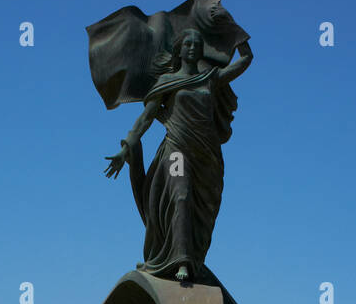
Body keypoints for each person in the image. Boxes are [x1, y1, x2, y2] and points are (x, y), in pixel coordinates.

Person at [104, 27, 253, 281]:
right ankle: (181, 261)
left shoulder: (209, 78)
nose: (193, 47)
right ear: (180, 50)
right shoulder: (168, 82)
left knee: (200, 213)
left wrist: (237, 34)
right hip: (177, 150)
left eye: (197, 44)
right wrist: (126, 146)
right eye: (188, 44)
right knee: (181, 194)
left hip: (207, 156)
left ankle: (192, 257)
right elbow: (146, 118)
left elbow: (245, 61)